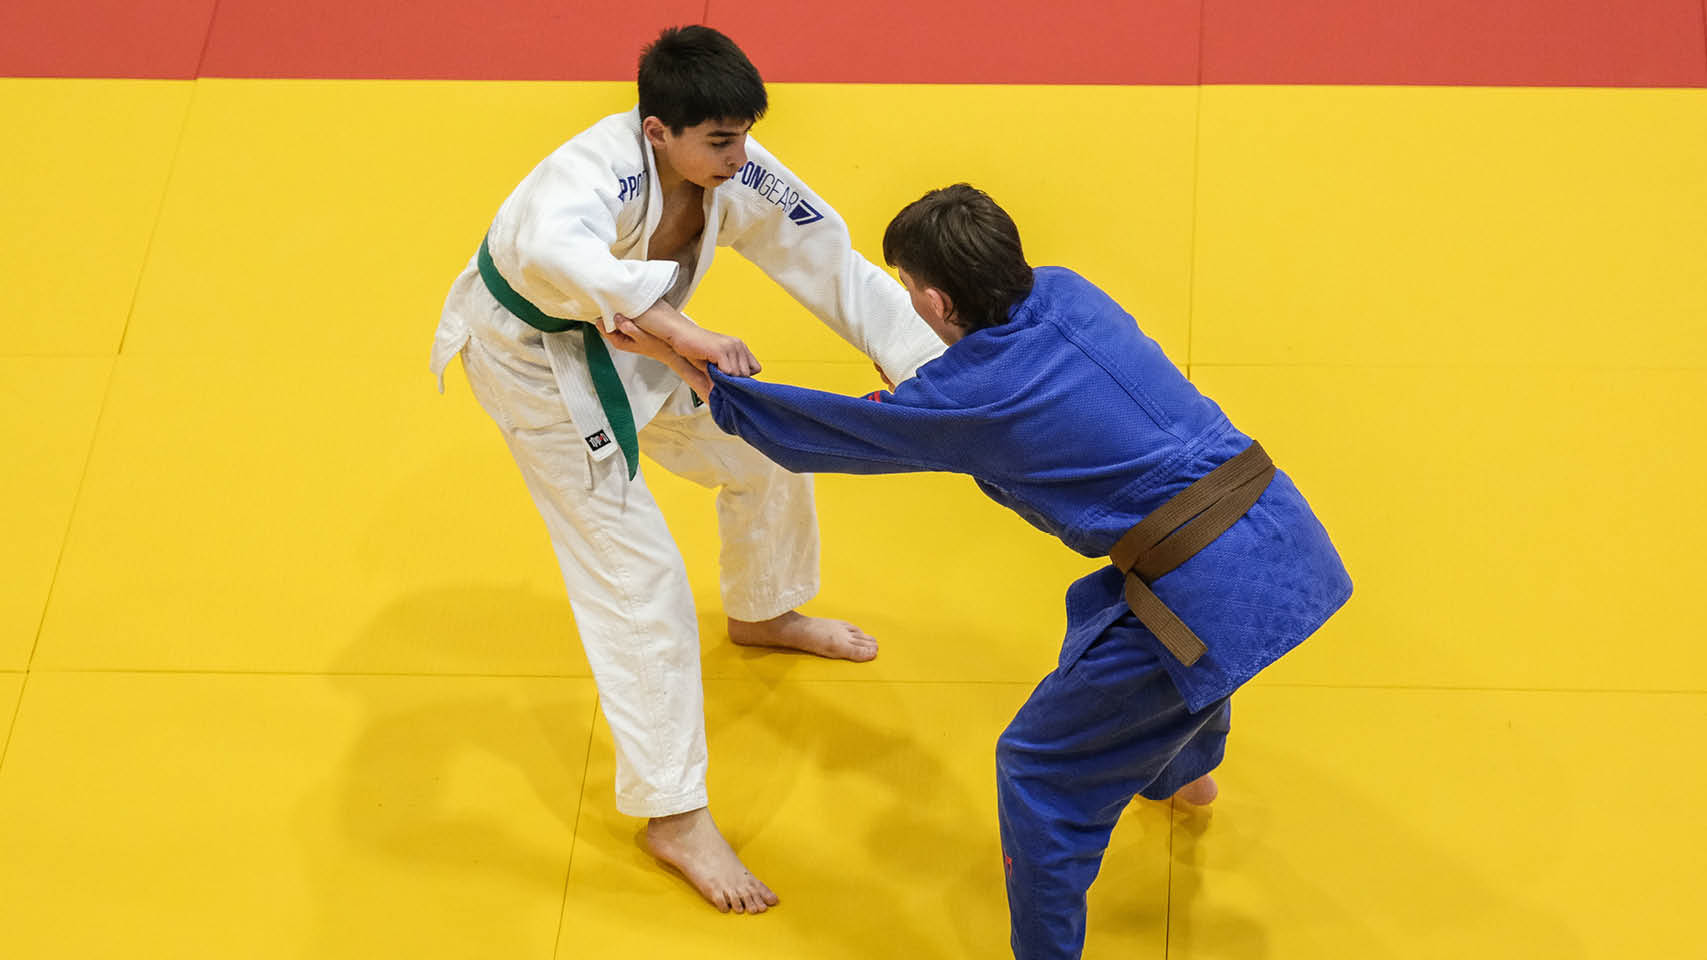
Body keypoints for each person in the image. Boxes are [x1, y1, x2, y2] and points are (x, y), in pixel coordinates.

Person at [616, 183, 1353, 956]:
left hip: (1209, 598)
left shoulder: (968, 397)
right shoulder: (1069, 291)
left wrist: (678, 353)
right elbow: (1022, 400)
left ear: (933, 301)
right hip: (1283, 534)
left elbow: (816, 435)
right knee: (1117, 622)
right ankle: (1180, 775)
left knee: (1037, 769)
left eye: (905, 290)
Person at [428, 26, 943, 915]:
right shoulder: (583, 179)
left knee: (771, 447)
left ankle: (764, 607)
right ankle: (672, 813)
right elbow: (557, 257)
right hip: (538, 375)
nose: (740, 158)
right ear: (656, 128)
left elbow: (835, 267)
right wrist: (680, 333)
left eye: (744, 135)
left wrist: (938, 378)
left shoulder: (729, 164)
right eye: (719, 141)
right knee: (640, 584)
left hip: (638, 351)